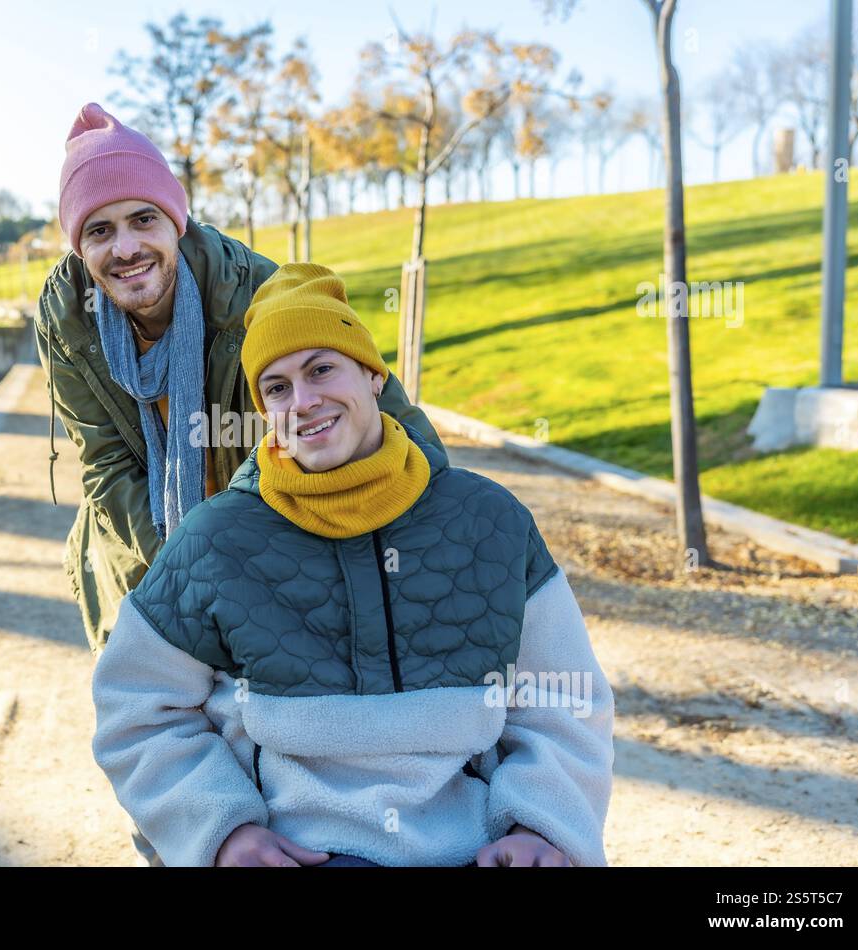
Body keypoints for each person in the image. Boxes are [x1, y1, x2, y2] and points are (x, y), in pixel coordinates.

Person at [90, 262, 615, 867]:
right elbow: (137, 709)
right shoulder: (215, 540)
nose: (305, 400)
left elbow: (562, 698)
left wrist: (540, 827)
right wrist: (224, 831)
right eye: (278, 387)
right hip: (299, 849)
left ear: (372, 375)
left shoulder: (488, 521)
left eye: (321, 369)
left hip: (475, 847)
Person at [35, 103, 444, 866]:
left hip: (269, 534)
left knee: (275, 754)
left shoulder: (255, 292)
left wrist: (456, 518)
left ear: (177, 222)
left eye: (143, 220)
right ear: (78, 245)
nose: (126, 248)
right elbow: (106, 464)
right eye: (99, 230)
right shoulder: (68, 317)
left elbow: (382, 413)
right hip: (142, 551)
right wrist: (185, 571)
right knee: (162, 754)